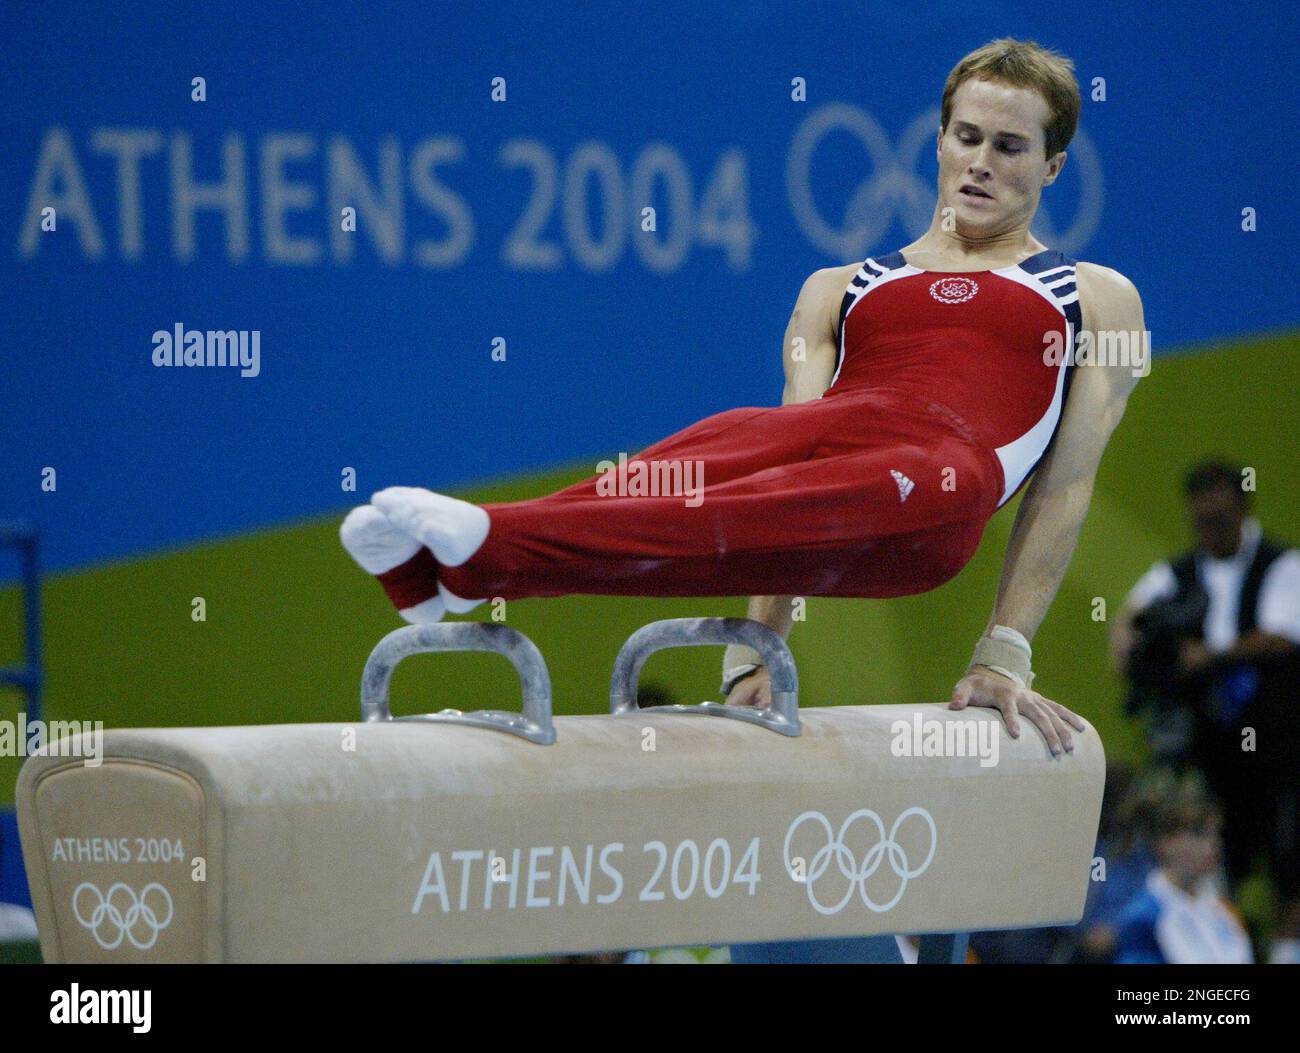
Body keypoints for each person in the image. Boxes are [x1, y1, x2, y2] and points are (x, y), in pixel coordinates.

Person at [343, 38, 1143, 961]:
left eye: (1011, 146)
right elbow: (775, 497)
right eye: (968, 135)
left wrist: (1005, 652)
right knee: (721, 452)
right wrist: (756, 645)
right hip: (840, 472)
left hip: (943, 490)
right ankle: (468, 563)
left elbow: (1068, 478)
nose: (983, 162)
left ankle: (488, 549)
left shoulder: (1101, 300)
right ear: (937, 140)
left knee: (903, 471)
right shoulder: (837, 289)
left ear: (1054, 164)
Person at [1111, 459, 1300, 963]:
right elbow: (1129, 621)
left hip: (1276, 747)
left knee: (1289, 856)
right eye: (1202, 520)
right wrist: (1129, 644)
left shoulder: (1282, 566)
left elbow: (1281, 636)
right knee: (1216, 850)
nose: (1211, 528)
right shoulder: (1176, 571)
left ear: (1243, 508)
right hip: (1205, 744)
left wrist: (1211, 656)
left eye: (1221, 518)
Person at [1114, 771, 1253, 964]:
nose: (1213, 844)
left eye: (1215, 834)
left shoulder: (1225, 911)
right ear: (1165, 842)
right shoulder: (1142, 916)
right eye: (1199, 834)